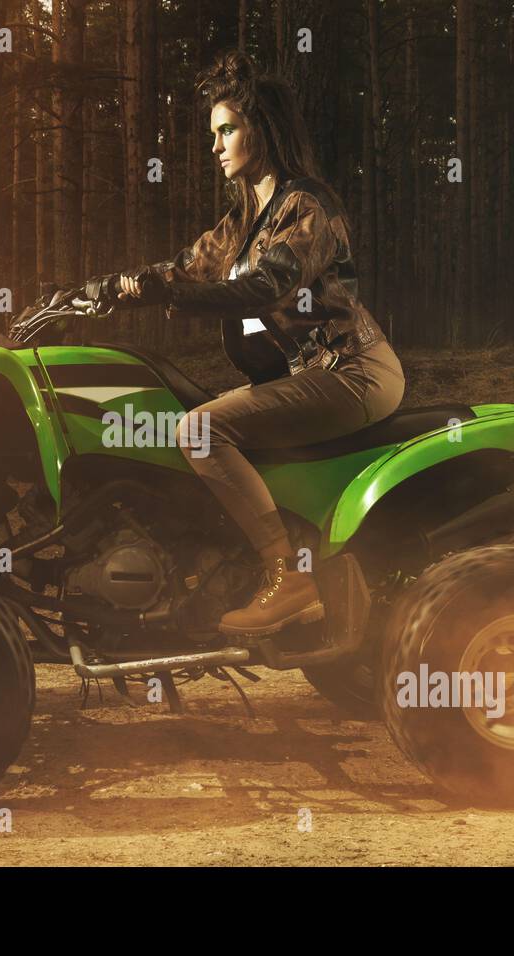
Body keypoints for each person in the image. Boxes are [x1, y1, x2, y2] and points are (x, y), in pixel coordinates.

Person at [104, 50, 405, 640]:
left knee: (199, 429)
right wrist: (100, 291)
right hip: (306, 376)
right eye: (213, 134)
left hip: (353, 371)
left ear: (260, 128)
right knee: (184, 420)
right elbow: (182, 267)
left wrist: (175, 295)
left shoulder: (307, 206)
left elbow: (268, 284)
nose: (215, 146)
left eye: (227, 130)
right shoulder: (243, 220)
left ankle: (287, 577)